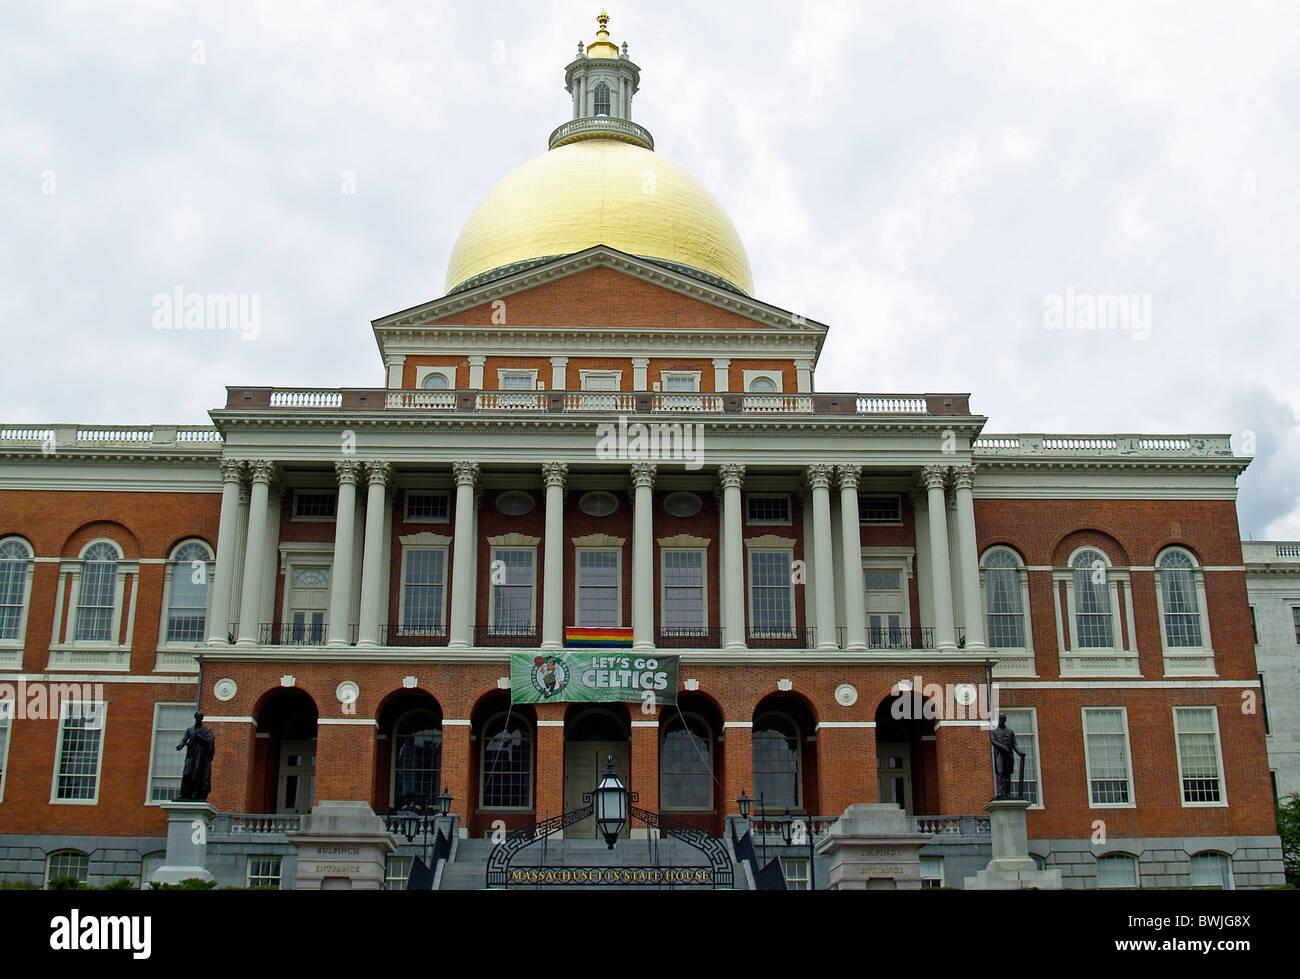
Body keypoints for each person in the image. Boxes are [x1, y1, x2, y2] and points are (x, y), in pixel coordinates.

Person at [176, 710, 216, 801]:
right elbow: (184, 740)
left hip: (201, 756)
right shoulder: (190, 730)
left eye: (200, 718)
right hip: (191, 755)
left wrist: (200, 737)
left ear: (202, 719)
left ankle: (196, 793)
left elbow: (210, 741)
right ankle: (184, 793)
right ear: (195, 718)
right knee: (187, 772)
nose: (199, 719)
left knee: (198, 774)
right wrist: (180, 746)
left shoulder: (206, 730)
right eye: (197, 717)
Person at [989, 714, 1025, 799]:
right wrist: (1003, 748)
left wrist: (1020, 752)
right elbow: (993, 741)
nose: (1001, 720)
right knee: (1001, 772)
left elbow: (1014, 744)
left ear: (1005, 720)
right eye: (1000, 719)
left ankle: (1008, 793)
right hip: (999, 755)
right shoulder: (994, 732)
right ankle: (1000, 792)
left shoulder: (1010, 731)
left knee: (1007, 774)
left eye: (1003, 719)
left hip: (1009, 755)